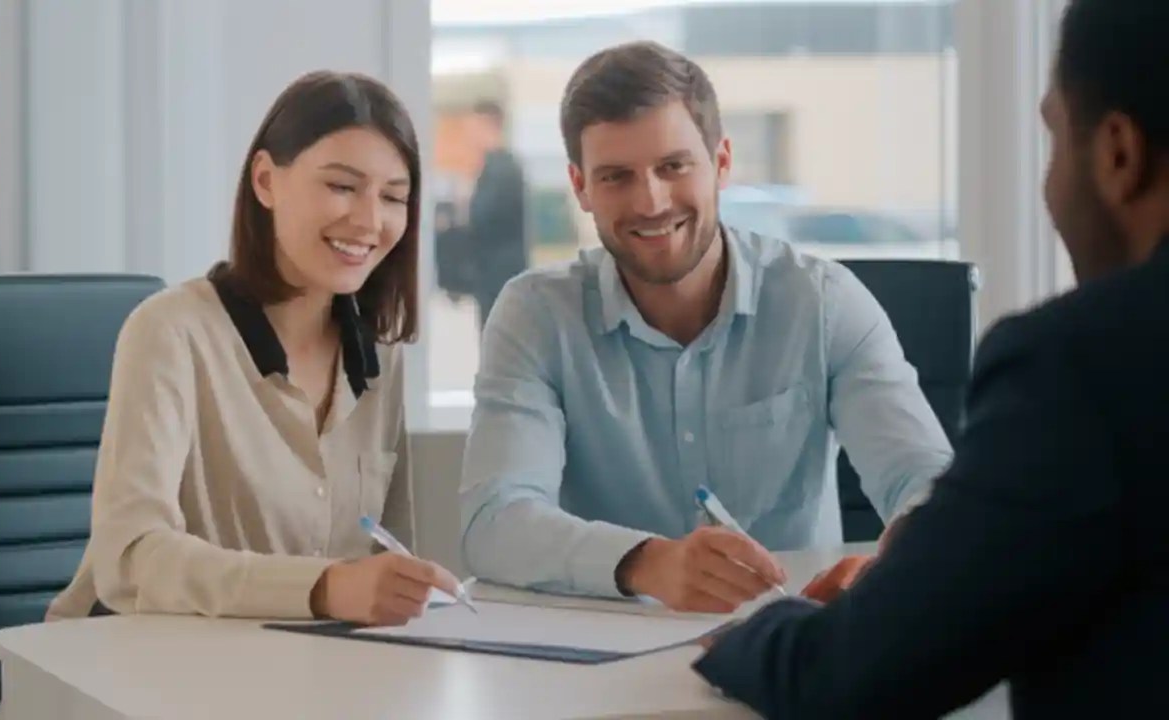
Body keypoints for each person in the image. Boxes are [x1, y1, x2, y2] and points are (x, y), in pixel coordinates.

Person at [692, 0, 1169, 716]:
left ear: (1117, 154)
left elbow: (852, 676)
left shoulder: (1081, 366)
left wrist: (749, 630)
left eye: (1053, 139)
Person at [459, 41, 953, 610]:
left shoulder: (823, 303)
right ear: (581, 188)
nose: (651, 201)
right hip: (604, 657)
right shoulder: (536, 316)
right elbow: (494, 522)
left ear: (720, 162)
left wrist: (902, 558)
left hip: (793, 648)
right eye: (617, 176)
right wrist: (648, 562)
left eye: (673, 166)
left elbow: (929, 485)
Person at [47, 71, 459, 626]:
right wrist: (323, 588)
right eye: (341, 186)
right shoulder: (171, 331)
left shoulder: (380, 357)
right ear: (266, 180)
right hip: (141, 681)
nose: (369, 220)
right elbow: (131, 557)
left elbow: (387, 554)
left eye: (393, 197)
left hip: (303, 678)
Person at [466, 100, 529, 329]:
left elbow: (482, 216)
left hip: (499, 275)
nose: (470, 136)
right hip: (494, 273)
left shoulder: (501, 168)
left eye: (473, 128)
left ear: (490, 126)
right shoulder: (498, 165)